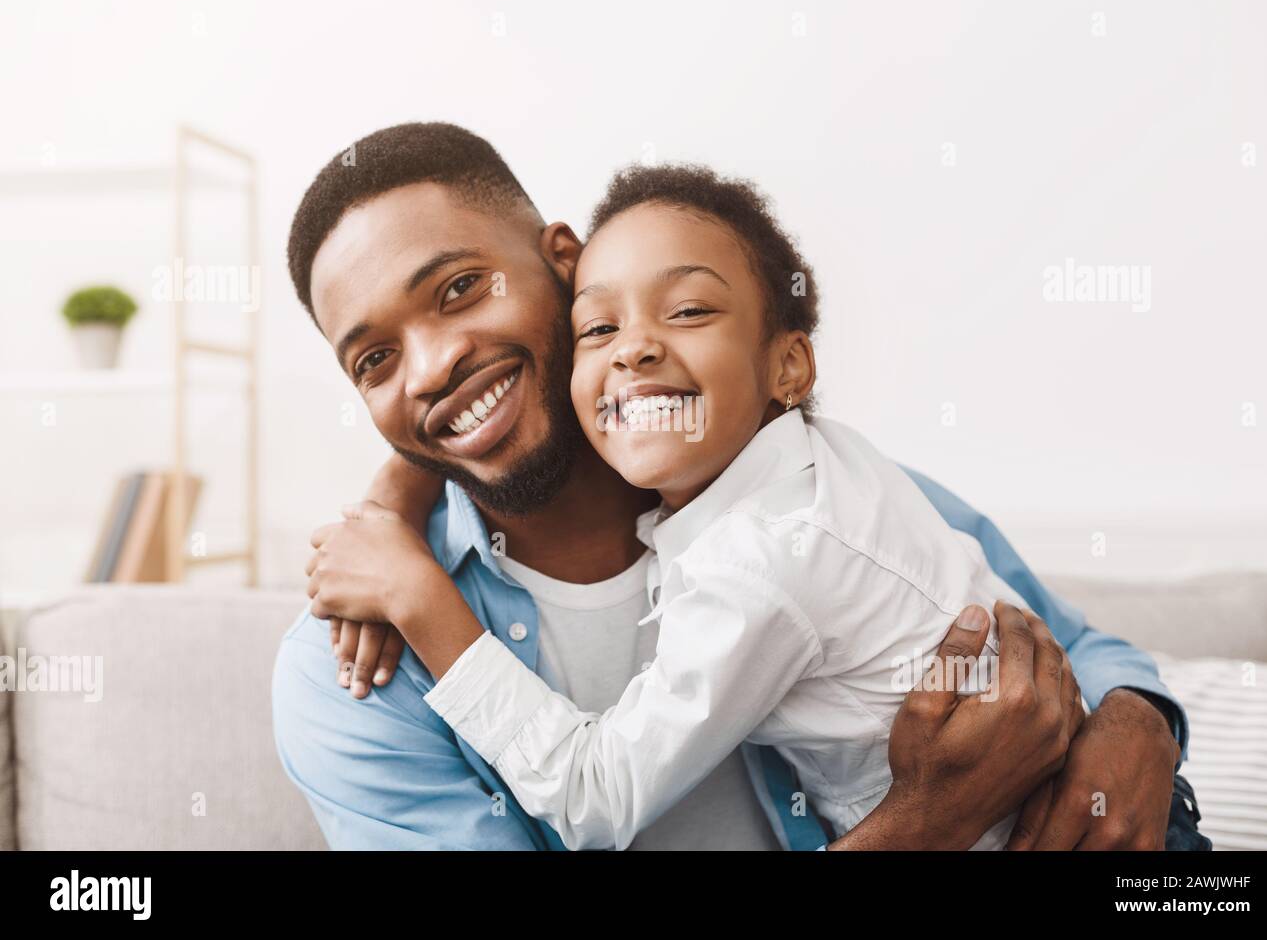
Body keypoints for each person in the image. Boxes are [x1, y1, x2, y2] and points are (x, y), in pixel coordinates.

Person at [274, 121, 1202, 850]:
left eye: (461, 287)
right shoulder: (350, 680)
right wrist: (926, 826)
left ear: (566, 262)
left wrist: (1137, 725)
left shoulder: (801, 482)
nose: (432, 366)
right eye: (376, 358)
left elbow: (1074, 642)